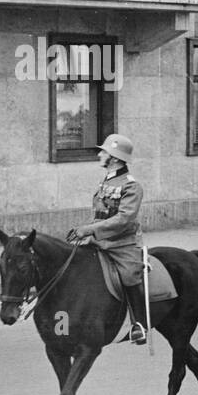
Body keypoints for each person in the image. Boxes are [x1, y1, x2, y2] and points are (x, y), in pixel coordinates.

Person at [65, 134, 152, 345]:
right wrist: (87, 233)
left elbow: (124, 219)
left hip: (123, 244)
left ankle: (139, 325)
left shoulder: (132, 186)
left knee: (130, 275)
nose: (99, 155)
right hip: (99, 240)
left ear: (113, 157)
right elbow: (101, 213)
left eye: (103, 152)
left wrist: (89, 229)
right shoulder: (107, 181)